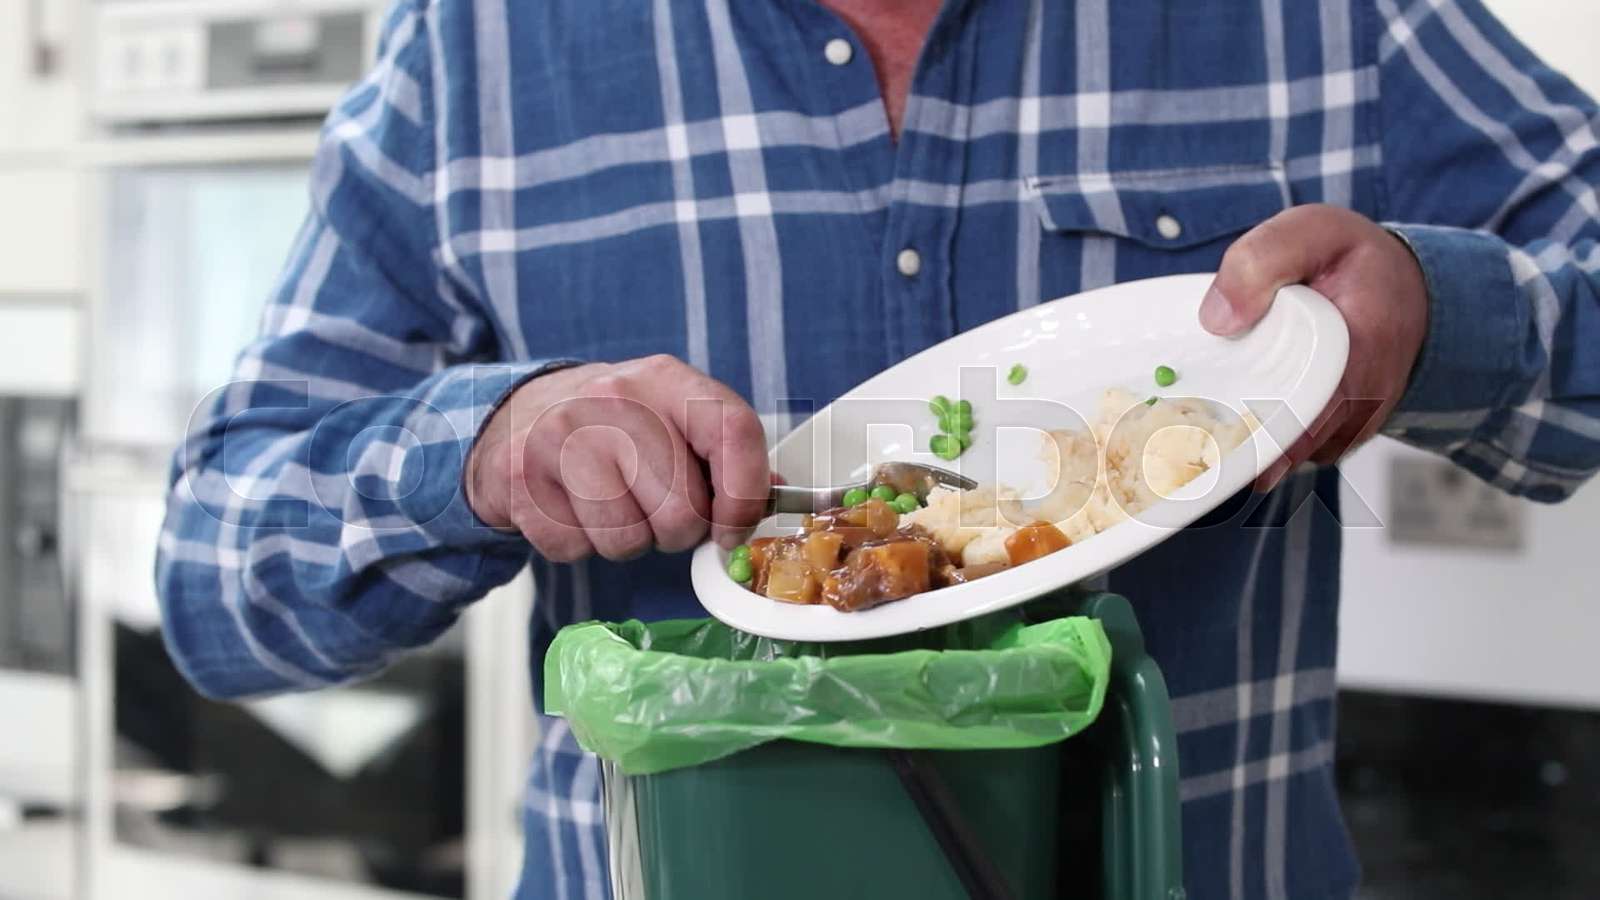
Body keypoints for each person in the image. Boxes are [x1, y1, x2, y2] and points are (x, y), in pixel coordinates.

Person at [155, 0, 1600, 897]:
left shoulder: (1330, 16)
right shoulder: (473, 46)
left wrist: (1438, 313)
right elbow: (216, 580)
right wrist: (483, 451)